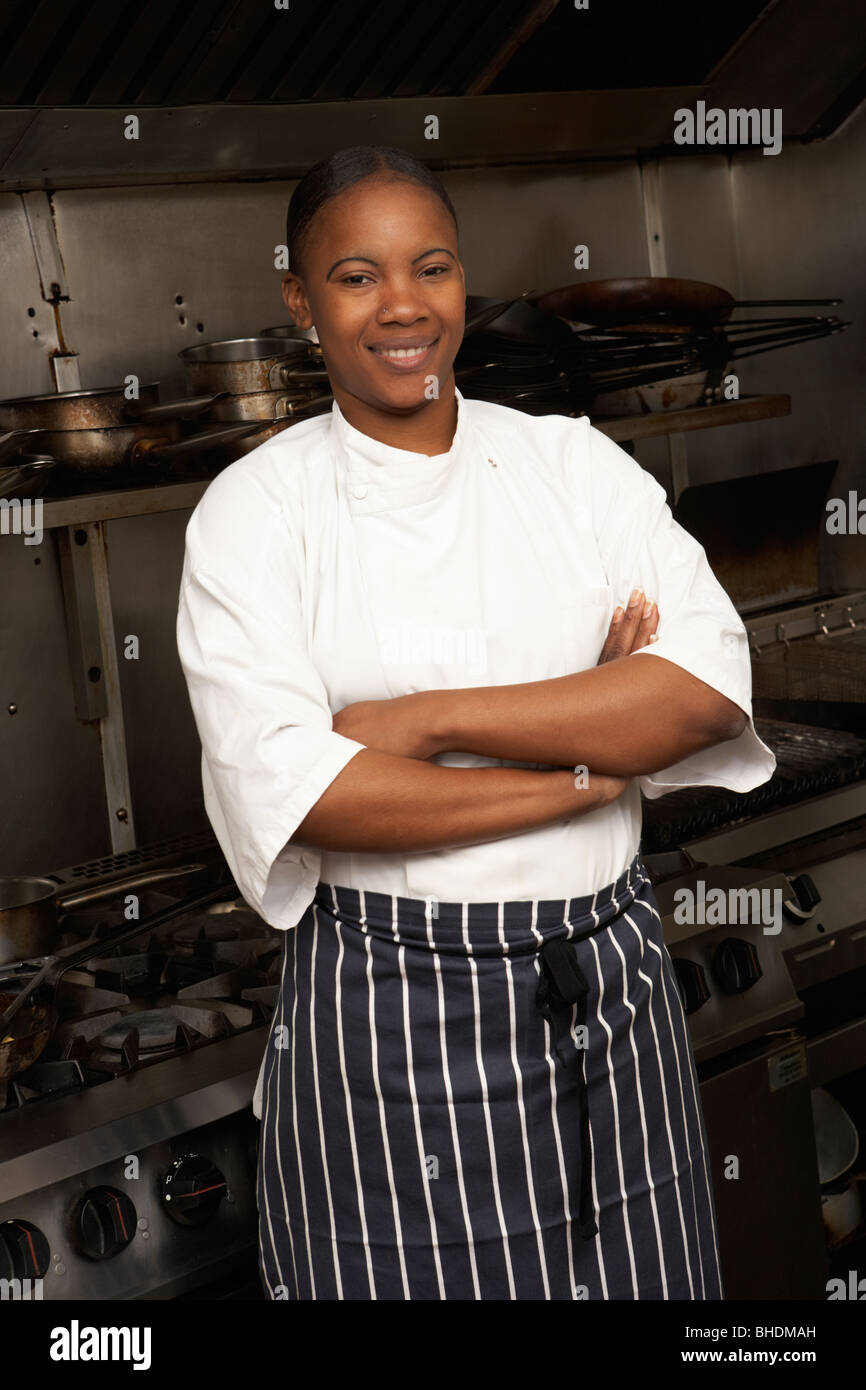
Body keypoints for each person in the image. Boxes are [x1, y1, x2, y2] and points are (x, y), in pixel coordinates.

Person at [176, 145, 776, 1301]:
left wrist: (420, 721)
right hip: (390, 1019)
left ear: (461, 280)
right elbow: (314, 794)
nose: (402, 306)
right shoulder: (256, 512)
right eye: (355, 276)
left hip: (610, 988)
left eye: (430, 267)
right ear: (299, 300)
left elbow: (701, 689)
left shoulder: (571, 465)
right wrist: (584, 768)